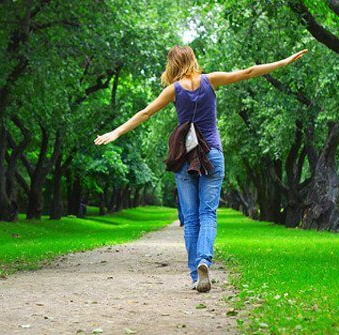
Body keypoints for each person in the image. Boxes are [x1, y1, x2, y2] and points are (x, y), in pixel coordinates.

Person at [94, 45, 307, 292]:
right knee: (208, 214)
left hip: (185, 158)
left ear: (172, 64)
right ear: (192, 59)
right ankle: (205, 261)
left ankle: (196, 274)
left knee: (192, 218)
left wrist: (117, 131)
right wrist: (283, 61)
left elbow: (145, 113)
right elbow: (248, 72)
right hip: (212, 154)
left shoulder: (173, 91)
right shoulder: (210, 80)